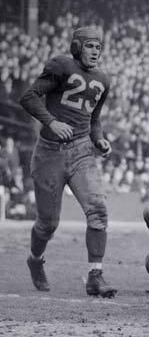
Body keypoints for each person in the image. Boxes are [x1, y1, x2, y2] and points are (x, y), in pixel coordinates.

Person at [19, 26, 116, 297]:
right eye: (90, 46)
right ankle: (35, 260)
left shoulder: (103, 80)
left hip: (82, 150)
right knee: (48, 223)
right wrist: (51, 121)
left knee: (98, 210)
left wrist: (99, 140)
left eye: (99, 46)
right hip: (50, 152)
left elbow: (93, 120)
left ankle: (95, 276)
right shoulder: (61, 66)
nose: (95, 51)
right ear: (77, 47)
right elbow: (28, 96)